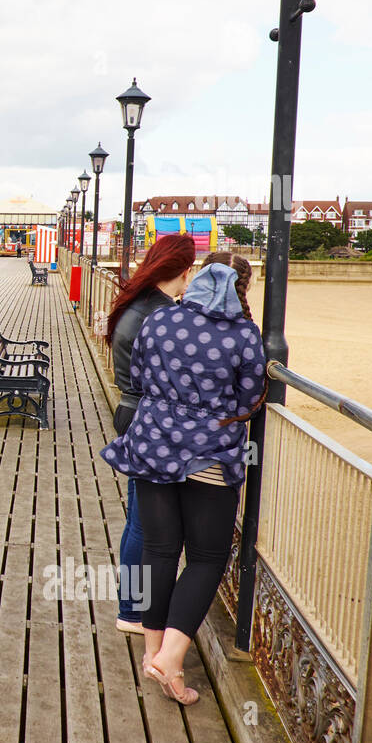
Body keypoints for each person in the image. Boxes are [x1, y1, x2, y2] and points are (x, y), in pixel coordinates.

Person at [100, 255, 266, 705]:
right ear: (240, 289)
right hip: (208, 455)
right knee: (207, 558)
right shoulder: (244, 334)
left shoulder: (160, 320)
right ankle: (170, 658)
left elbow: (138, 378)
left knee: (158, 550)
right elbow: (251, 397)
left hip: (152, 443)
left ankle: (156, 655)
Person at [103, 233, 196, 635]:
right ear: (183, 270)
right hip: (147, 418)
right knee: (146, 524)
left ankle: (132, 607)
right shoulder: (160, 314)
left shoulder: (136, 304)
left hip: (130, 410)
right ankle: (133, 611)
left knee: (138, 519)